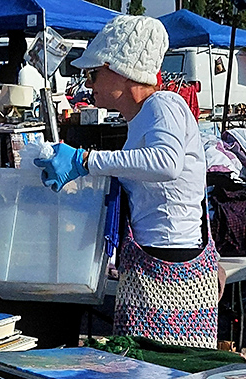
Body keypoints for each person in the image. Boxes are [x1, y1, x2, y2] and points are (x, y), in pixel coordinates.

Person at [35, 15, 218, 348]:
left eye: (93, 74)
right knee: (141, 368)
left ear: (120, 70)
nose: (88, 84)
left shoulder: (164, 104)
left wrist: (86, 160)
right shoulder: (141, 118)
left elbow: (166, 164)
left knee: (165, 366)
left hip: (172, 262)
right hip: (154, 258)